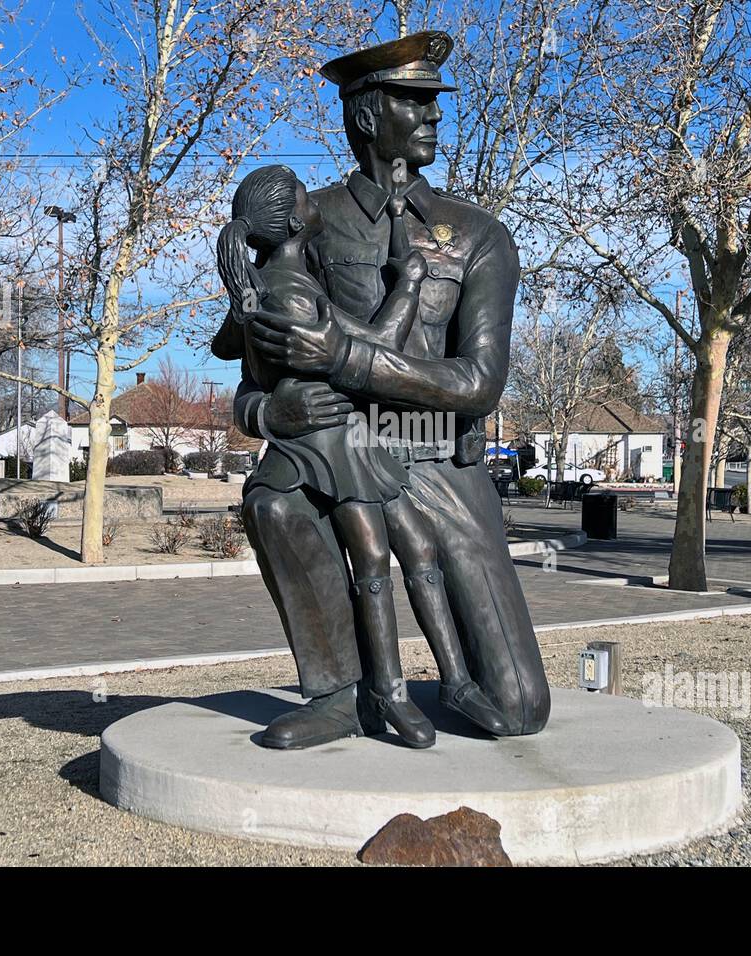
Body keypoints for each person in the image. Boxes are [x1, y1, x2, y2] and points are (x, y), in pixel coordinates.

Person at [225, 30, 551, 750]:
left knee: (519, 706)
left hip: (436, 459)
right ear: (368, 115)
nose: (435, 115)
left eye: (435, 103)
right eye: (417, 101)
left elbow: (479, 384)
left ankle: (435, 677)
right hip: (340, 452)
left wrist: (345, 356)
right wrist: (267, 411)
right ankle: (342, 692)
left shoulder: (477, 236)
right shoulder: (304, 223)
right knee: (272, 501)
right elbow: (248, 383)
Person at [214, 163, 509, 747]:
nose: (313, 193)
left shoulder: (276, 286)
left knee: (414, 547)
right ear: (297, 218)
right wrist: (408, 285)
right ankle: (379, 695)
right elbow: (370, 344)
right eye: (302, 192)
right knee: (373, 558)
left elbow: (227, 344)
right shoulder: (293, 293)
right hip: (332, 449)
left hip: (359, 442)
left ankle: (450, 681)